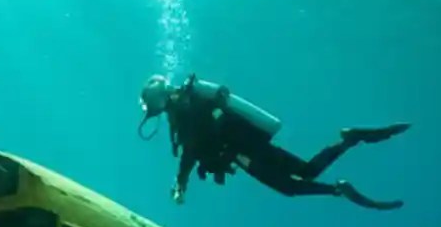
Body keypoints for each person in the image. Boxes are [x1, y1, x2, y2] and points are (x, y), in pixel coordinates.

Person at [137, 73, 410, 209]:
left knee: (291, 186)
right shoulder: (191, 102)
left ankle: (338, 186)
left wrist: (180, 184)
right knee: (305, 172)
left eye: (151, 107)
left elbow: (191, 151)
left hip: (244, 154)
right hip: (250, 146)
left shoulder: (184, 113)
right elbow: (193, 148)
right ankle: (349, 142)